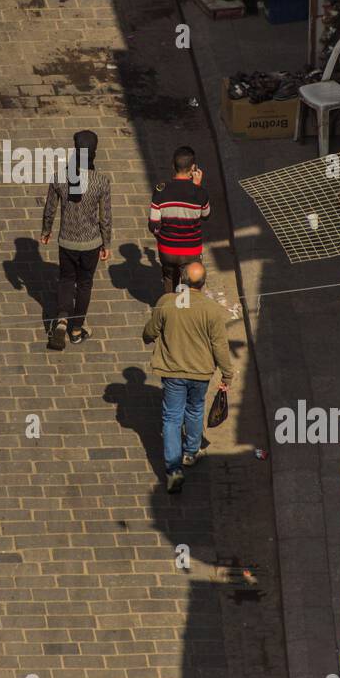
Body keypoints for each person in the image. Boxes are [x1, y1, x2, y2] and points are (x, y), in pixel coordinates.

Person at [143, 261, 233, 491]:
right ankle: (191, 451)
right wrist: (227, 375)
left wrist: (148, 336)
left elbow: (151, 331)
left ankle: (173, 469)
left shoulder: (167, 303)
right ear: (203, 284)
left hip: (173, 370)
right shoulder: (212, 310)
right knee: (195, 409)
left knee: (172, 418)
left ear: (181, 280)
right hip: (201, 372)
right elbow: (220, 346)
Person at [41, 130, 111, 351]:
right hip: (91, 243)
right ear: (94, 154)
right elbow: (105, 216)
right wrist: (106, 243)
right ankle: (77, 329)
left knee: (66, 279)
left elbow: (50, 208)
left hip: (67, 241)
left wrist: (46, 230)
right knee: (84, 284)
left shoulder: (60, 177)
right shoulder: (101, 181)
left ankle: (62, 318)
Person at [149, 146, 211, 295]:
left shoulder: (160, 191)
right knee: (187, 286)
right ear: (193, 168)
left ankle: (169, 308)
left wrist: (162, 237)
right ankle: (182, 308)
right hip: (191, 252)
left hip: (167, 250)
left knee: (169, 279)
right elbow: (206, 215)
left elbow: (153, 225)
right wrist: (196, 186)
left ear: (173, 166)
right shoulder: (200, 193)